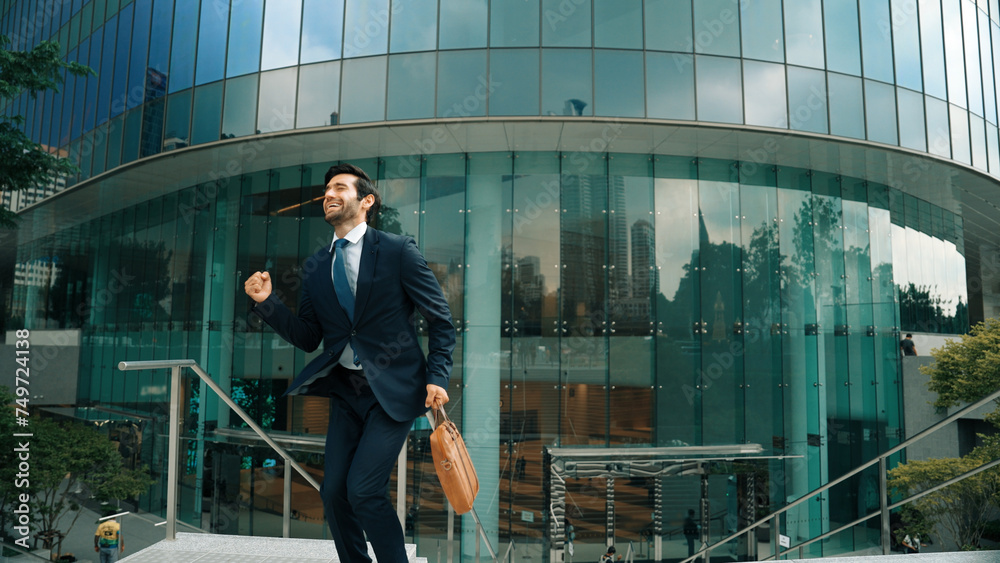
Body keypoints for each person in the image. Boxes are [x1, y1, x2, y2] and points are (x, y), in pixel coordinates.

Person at [245, 163, 455, 563]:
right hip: (346, 391)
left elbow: (441, 320)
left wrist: (437, 376)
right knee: (334, 493)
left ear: (366, 201)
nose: (329, 194)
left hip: (393, 391)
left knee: (363, 489)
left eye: (340, 187)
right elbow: (309, 337)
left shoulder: (397, 250)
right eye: (326, 189)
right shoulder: (317, 266)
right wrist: (266, 303)